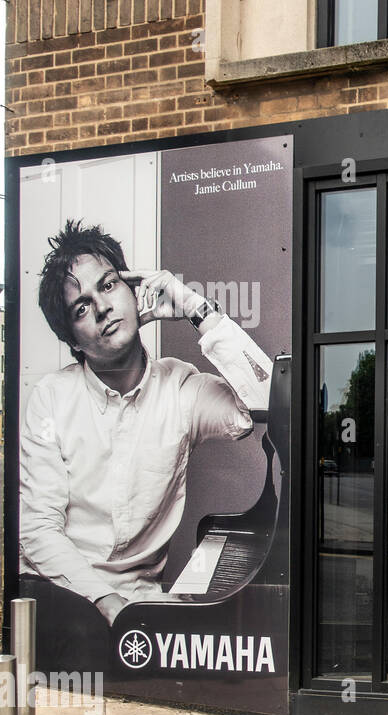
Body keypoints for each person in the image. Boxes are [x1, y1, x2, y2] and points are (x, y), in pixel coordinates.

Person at [18, 220, 273, 666]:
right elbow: (38, 530)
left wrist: (197, 308)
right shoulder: (50, 399)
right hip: (61, 601)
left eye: (109, 285)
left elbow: (269, 401)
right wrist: (105, 601)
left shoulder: (181, 388)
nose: (101, 308)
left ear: (134, 291)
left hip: (141, 606)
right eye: (81, 308)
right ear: (71, 341)